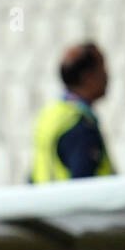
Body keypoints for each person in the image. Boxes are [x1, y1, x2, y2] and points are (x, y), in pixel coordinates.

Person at [30, 42, 114, 182]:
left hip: (48, 203)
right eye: (102, 67)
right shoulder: (80, 125)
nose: (107, 75)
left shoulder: (49, 114)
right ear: (88, 77)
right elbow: (84, 188)